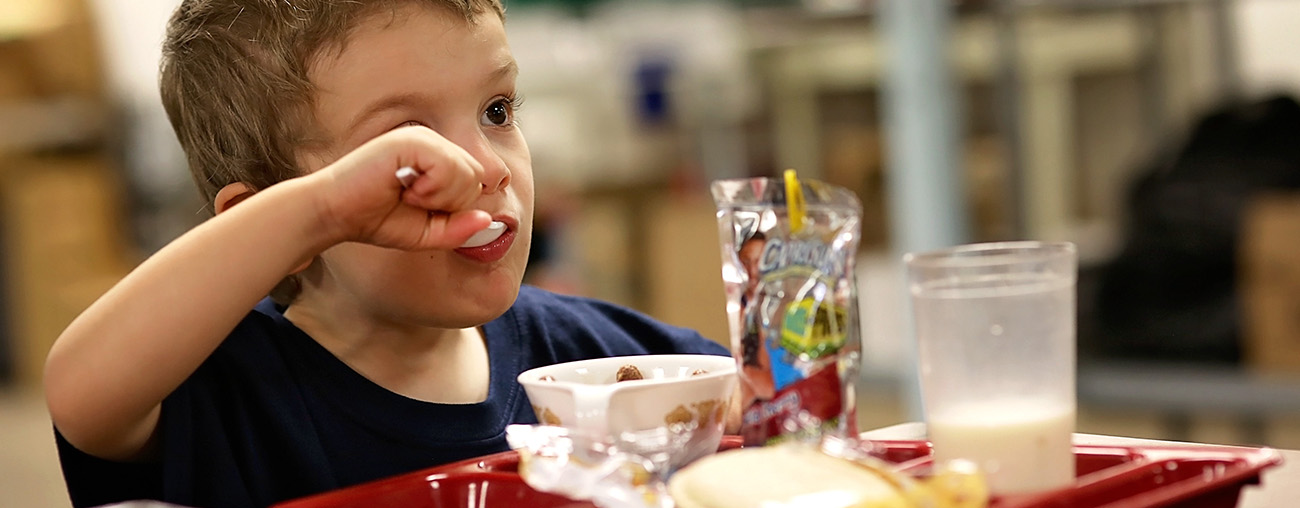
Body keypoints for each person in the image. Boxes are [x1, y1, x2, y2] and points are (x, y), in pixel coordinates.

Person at [42, 1, 730, 507]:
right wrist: (324, 206)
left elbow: (766, 419)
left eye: (497, 110)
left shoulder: (598, 366)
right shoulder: (228, 389)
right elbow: (80, 392)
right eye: (404, 149)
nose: (487, 167)